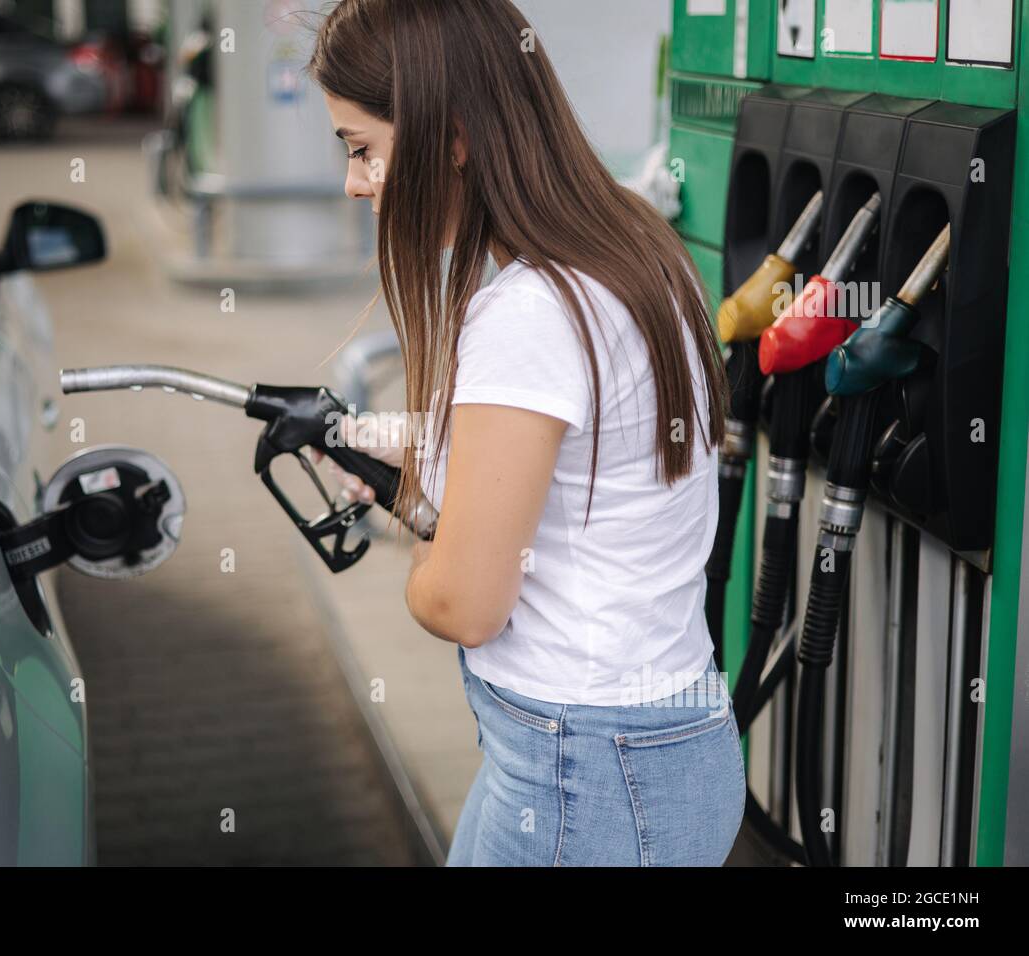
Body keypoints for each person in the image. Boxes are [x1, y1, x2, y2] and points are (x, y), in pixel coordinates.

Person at [308, 0, 745, 866]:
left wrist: (426, 546)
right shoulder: (632, 244)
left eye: (363, 148)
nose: (356, 182)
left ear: (455, 136)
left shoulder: (529, 311)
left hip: (584, 772)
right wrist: (423, 454)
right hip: (637, 748)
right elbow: (587, 459)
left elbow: (464, 604)